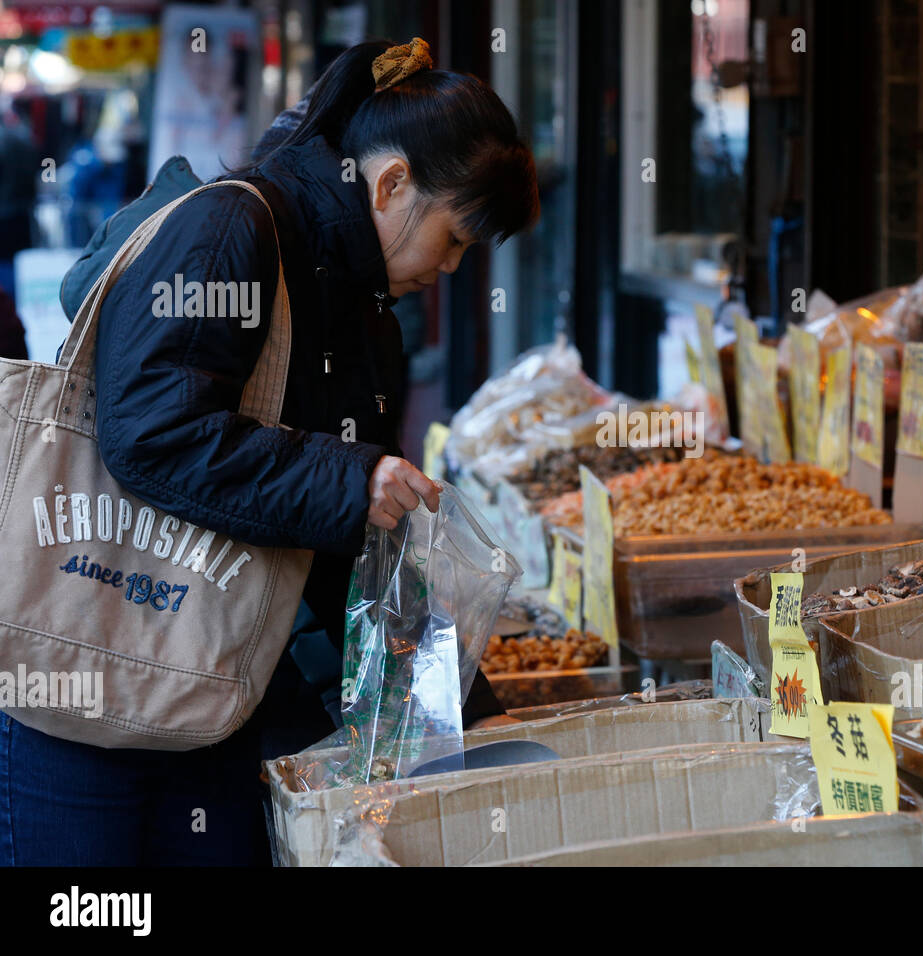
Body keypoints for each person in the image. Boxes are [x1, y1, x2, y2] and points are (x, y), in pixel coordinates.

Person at [0, 38, 539, 866]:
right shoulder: (230, 231)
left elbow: (338, 536)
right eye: (454, 238)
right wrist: (354, 479)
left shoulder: (358, 305)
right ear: (392, 183)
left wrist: (457, 701)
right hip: (87, 678)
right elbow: (152, 434)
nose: (452, 267)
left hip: (214, 694)